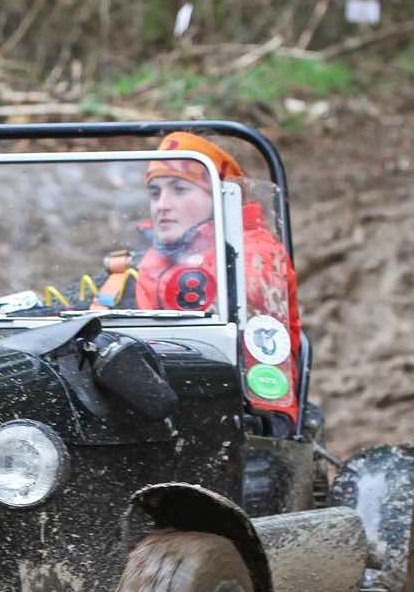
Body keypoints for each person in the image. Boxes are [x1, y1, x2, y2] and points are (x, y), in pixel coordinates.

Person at [128, 133, 303, 423]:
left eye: (180, 190)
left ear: (221, 197)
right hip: (164, 405)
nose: (162, 205)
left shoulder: (253, 255)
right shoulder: (149, 262)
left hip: (246, 409)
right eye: (155, 193)